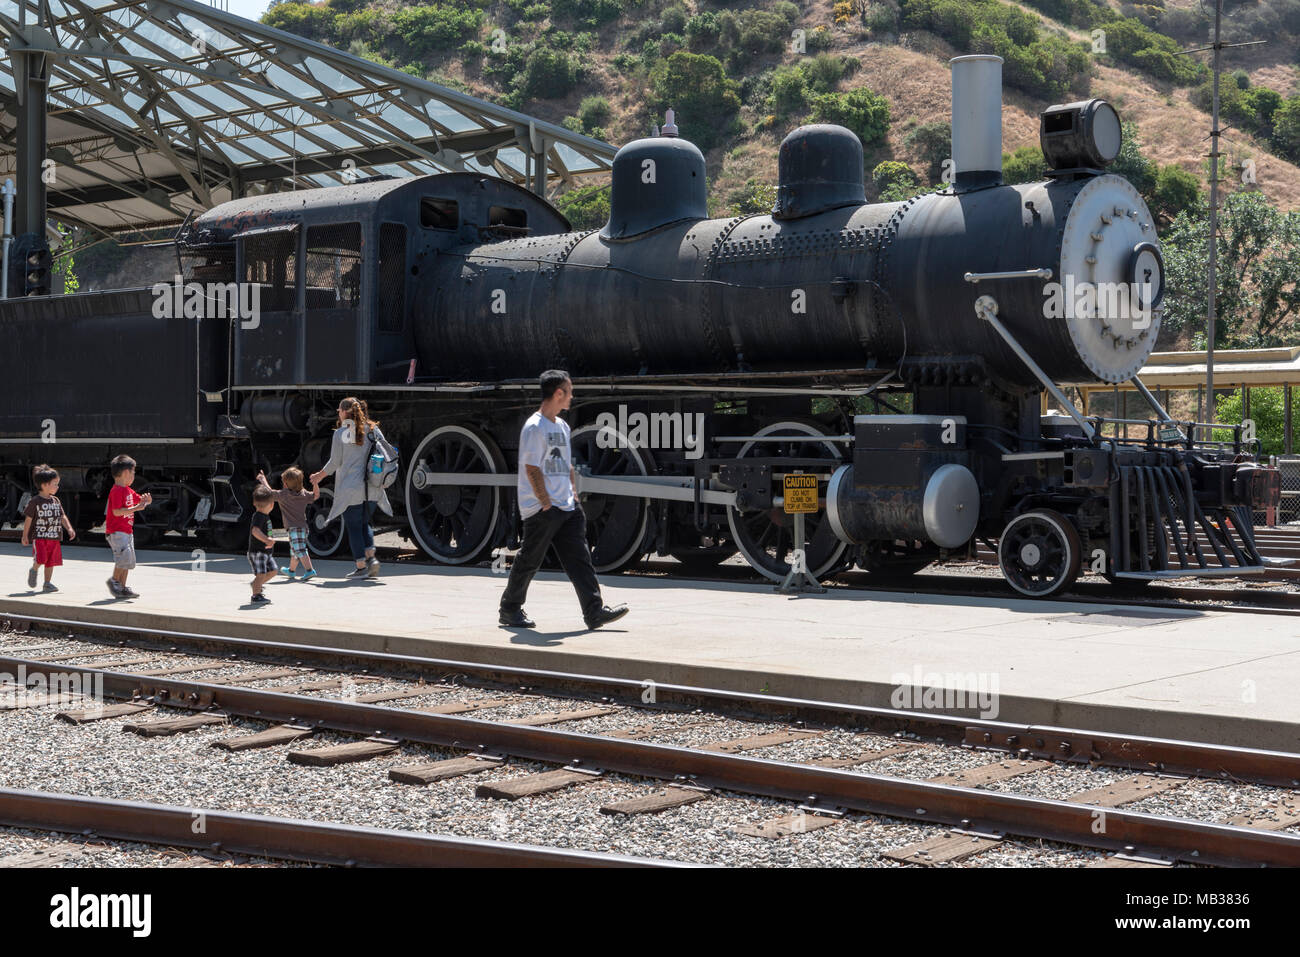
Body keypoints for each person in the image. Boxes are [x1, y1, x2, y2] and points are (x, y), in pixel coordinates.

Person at [499, 370, 629, 630]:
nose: (572, 396)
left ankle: (594, 612)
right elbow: (532, 468)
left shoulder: (561, 425)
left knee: (579, 559)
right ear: (558, 393)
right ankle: (509, 609)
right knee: (530, 559)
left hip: (567, 506)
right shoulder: (534, 427)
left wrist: (573, 493)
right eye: (569, 391)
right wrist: (545, 502)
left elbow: (565, 462)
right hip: (542, 508)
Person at [309, 397, 392, 579]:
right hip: (372, 486)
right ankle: (372, 560)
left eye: (339, 409)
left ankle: (361, 567)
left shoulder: (340, 433)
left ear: (345, 412)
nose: (338, 412)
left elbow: (334, 463)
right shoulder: (373, 429)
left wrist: (318, 476)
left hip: (351, 489)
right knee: (364, 523)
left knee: (354, 527)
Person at [256, 466, 320, 580]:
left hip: (294, 528)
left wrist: (263, 480)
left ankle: (310, 570)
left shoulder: (284, 495)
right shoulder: (304, 493)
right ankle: (291, 571)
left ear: (285, 483)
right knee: (294, 551)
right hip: (303, 528)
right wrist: (315, 484)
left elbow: (269, 493)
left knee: (299, 550)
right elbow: (316, 496)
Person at [21, 464, 75, 592]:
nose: (57, 486)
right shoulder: (35, 501)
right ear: (44, 485)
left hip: (54, 537)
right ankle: (34, 569)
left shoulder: (56, 500)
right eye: (55, 484)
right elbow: (28, 519)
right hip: (39, 537)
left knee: (51, 561)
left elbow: (62, 516)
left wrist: (69, 528)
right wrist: (25, 536)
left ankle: (47, 583)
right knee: (41, 559)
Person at [105, 455, 151, 599]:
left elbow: (139, 502)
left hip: (126, 531)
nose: (133, 476)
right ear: (125, 473)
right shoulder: (117, 491)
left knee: (127, 560)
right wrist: (136, 508)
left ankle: (122, 587)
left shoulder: (128, 491)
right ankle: (114, 581)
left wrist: (145, 501)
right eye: (133, 473)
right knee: (123, 558)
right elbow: (116, 512)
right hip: (117, 532)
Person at [247, 485, 278, 604]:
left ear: (255, 503)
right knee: (261, 574)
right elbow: (255, 531)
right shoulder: (258, 516)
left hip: (265, 552)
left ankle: (256, 584)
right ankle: (256, 595)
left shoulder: (263, 516)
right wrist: (266, 540)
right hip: (257, 552)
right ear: (272, 505)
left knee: (274, 571)